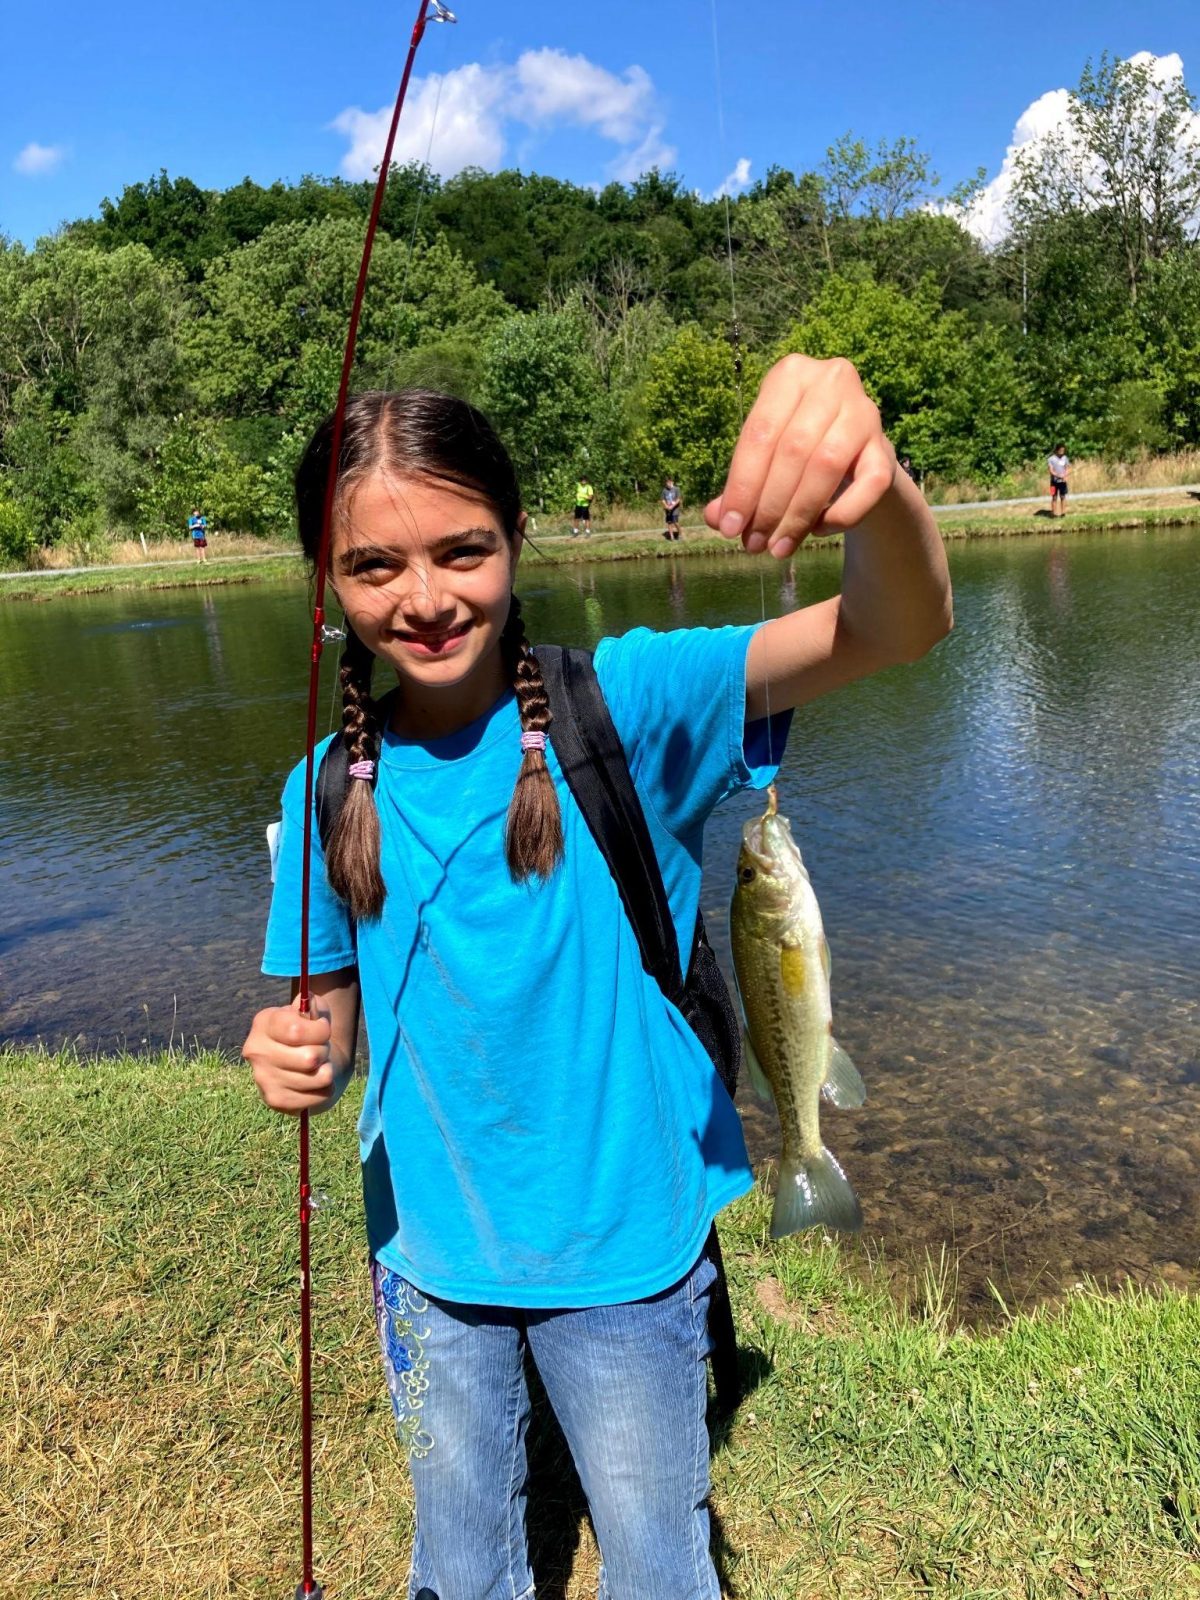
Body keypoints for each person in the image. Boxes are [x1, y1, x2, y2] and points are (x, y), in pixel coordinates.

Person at [242, 357, 952, 1600]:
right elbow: (333, 1027)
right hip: (428, 1254)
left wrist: (876, 484)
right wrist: (300, 1052)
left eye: (464, 550)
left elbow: (897, 625)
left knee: (657, 1560)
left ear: (519, 539)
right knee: (460, 1558)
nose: (425, 597)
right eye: (373, 566)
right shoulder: (324, 792)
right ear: (323, 581)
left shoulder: (629, 704)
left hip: (626, 1252)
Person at [1047, 443, 1070, 517]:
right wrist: (1058, 475)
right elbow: (1051, 470)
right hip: (1053, 482)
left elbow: (1067, 468)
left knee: (1063, 496)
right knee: (1054, 497)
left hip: (1063, 482)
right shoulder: (1051, 459)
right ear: (1057, 450)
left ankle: (1063, 513)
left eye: (1063, 450)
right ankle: (1054, 513)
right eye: (1061, 450)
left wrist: (1065, 475)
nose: (1062, 452)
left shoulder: (1065, 458)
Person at [662, 475, 683, 540]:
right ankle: (672, 537)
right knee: (669, 522)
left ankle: (680, 534)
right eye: (666, 483)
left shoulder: (676, 489)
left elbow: (678, 499)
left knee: (675, 522)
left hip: (675, 508)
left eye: (669, 482)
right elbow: (663, 500)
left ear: (672, 482)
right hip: (668, 509)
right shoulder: (664, 490)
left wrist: (672, 506)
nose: (667, 484)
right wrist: (666, 506)